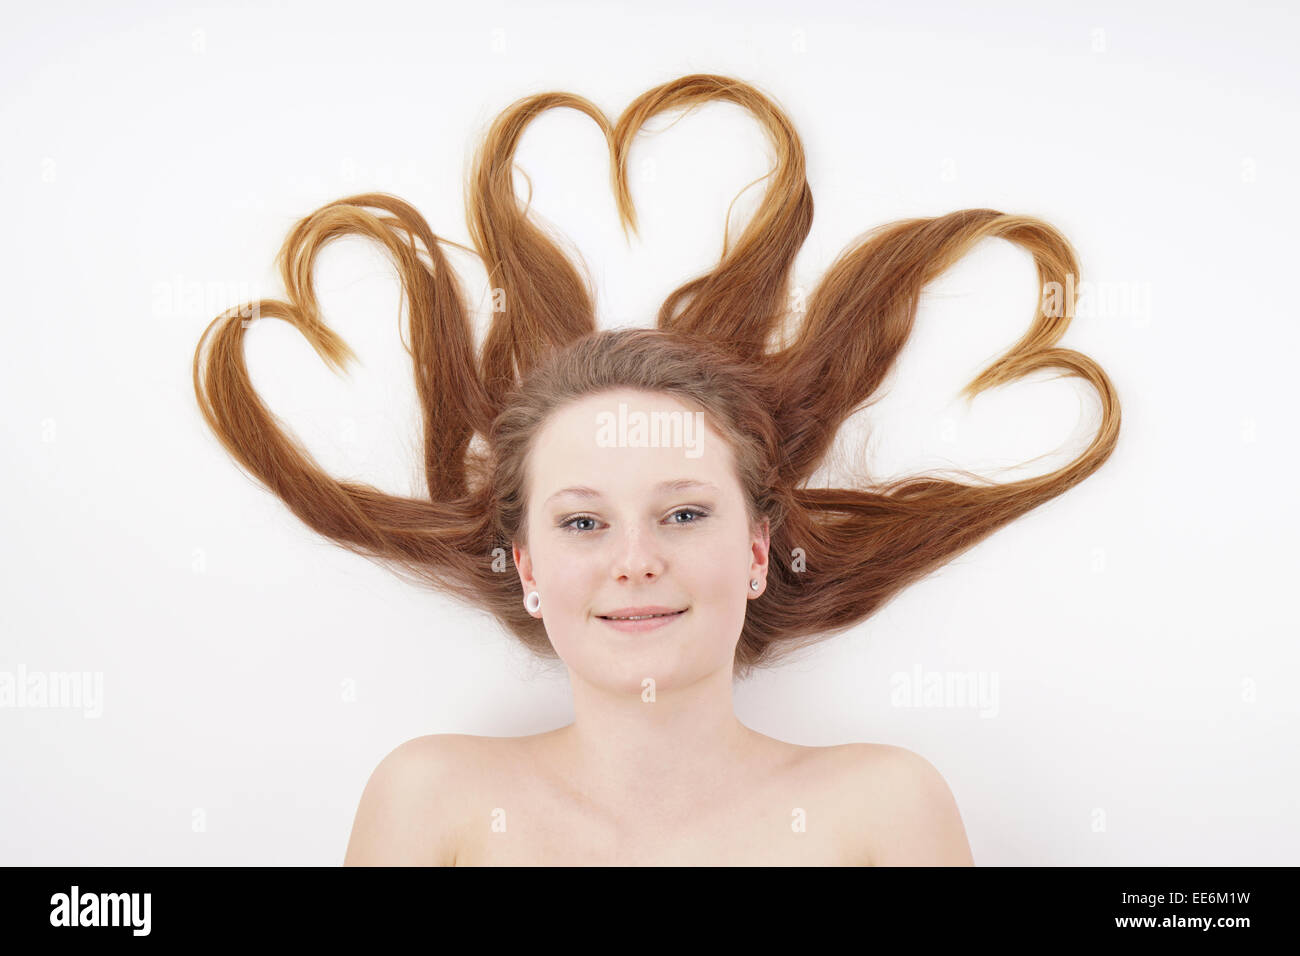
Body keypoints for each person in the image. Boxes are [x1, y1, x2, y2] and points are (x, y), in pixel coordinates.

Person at [192, 74, 1120, 865]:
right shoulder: (433, 802)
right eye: (583, 522)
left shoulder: (883, 809)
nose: (633, 560)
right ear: (526, 568)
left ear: (759, 552)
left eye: (682, 514)